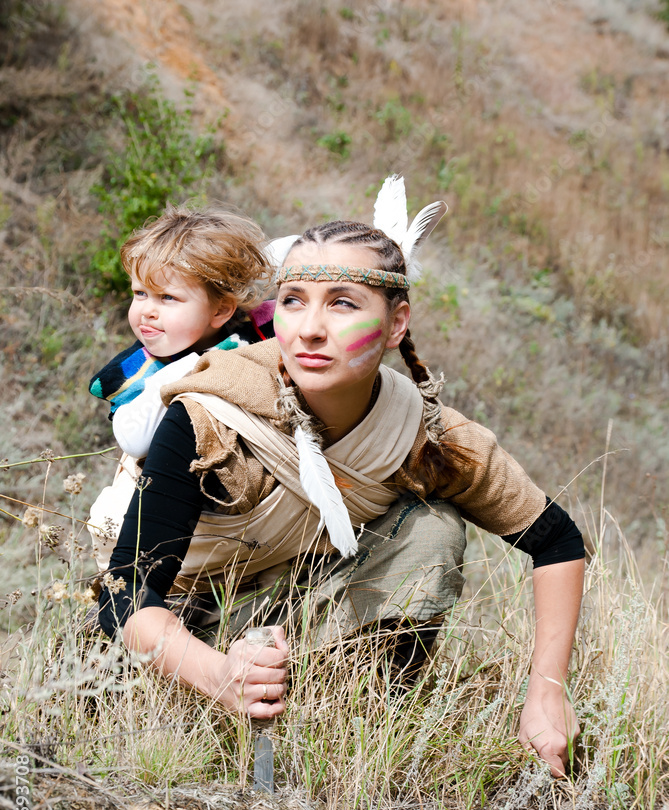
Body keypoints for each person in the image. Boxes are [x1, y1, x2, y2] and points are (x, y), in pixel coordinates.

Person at [98, 183, 585, 778]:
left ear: (397, 322)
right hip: (179, 635)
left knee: (431, 531)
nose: (308, 328)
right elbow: (125, 596)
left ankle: (356, 723)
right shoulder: (208, 416)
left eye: (344, 304)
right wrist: (221, 677)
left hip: (292, 618)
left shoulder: (423, 433)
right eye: (294, 301)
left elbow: (557, 541)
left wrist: (547, 693)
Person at [87, 204, 275, 568]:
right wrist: (183, 371)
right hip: (169, 517)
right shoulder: (147, 370)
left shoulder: (252, 344)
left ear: (221, 311)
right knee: (109, 515)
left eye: (167, 298)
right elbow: (134, 440)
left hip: (250, 508)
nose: (147, 311)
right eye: (140, 293)